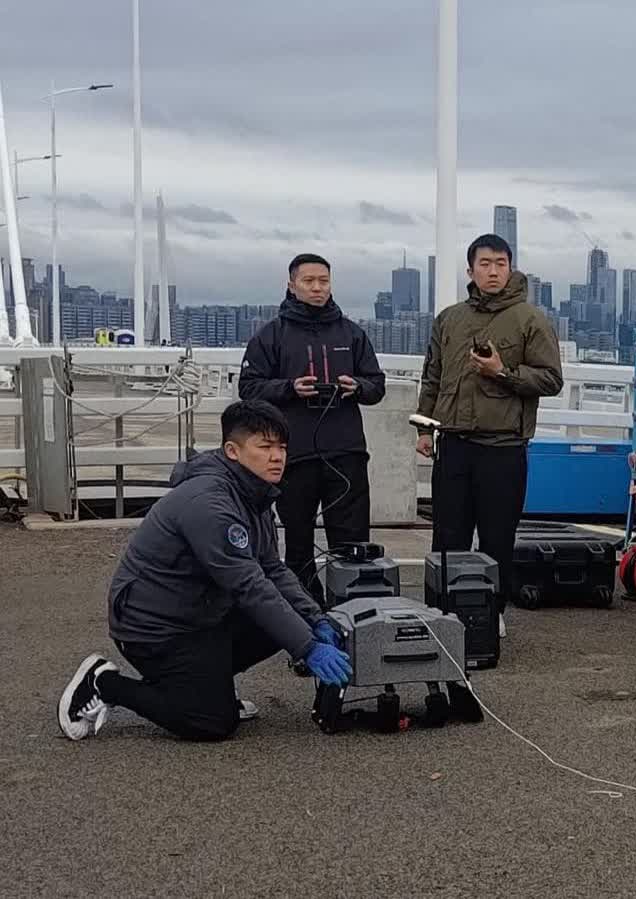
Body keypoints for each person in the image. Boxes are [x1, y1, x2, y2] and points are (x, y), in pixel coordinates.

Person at [57, 400, 353, 742]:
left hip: (198, 614)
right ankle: (104, 683)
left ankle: (201, 686)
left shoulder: (253, 494)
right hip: (153, 628)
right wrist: (308, 648)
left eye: (282, 447)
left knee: (283, 621)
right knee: (212, 722)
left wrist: (315, 620)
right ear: (232, 451)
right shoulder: (210, 503)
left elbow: (272, 569)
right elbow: (248, 586)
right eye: (265, 447)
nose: (277, 457)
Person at [416, 234, 563, 635]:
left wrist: (502, 372)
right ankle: (443, 608)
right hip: (453, 443)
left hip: (503, 446)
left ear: (511, 268)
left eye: (500, 263)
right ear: (471, 270)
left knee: (497, 535)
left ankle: (490, 611)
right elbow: (433, 377)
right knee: (447, 534)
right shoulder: (449, 319)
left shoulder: (530, 319)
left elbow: (551, 379)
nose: (493, 271)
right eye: (485, 264)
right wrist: (425, 427)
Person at [238, 253, 386, 605]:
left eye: (324, 281)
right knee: (298, 540)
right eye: (309, 281)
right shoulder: (272, 335)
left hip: (346, 452)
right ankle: (305, 610)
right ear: (292, 285)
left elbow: (377, 386)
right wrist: (289, 388)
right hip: (294, 453)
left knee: (352, 541)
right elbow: (248, 387)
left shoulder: (351, 333)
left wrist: (357, 387)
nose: (317, 287)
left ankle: (352, 609)